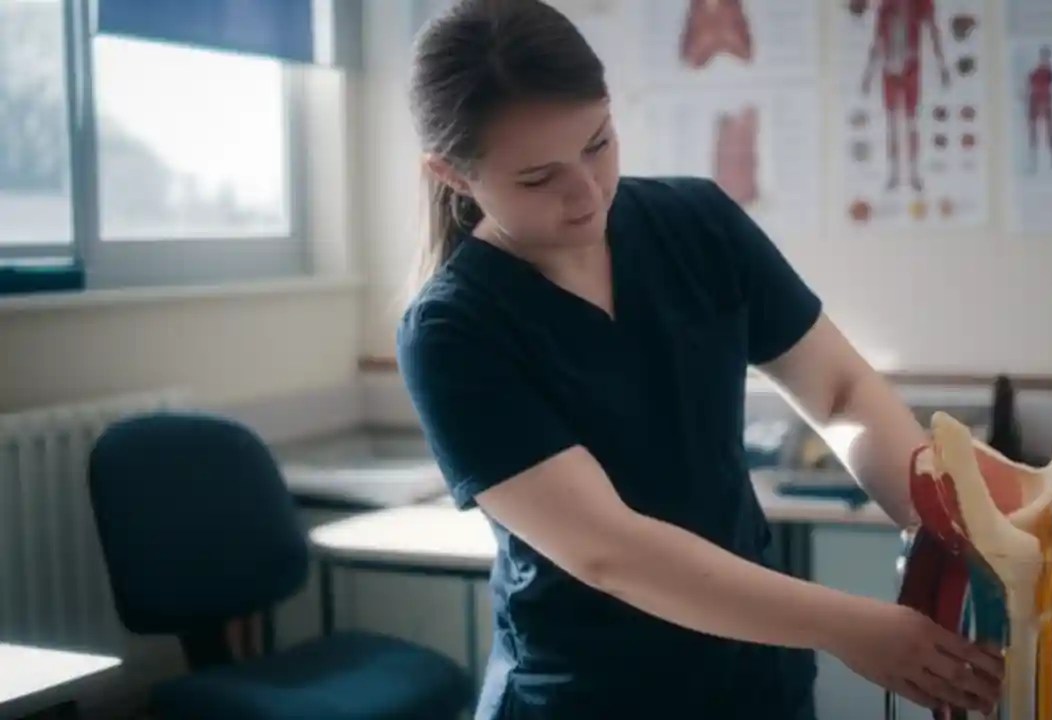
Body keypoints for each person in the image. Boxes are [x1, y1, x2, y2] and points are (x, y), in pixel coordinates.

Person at [398, 1, 1003, 718]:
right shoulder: (453, 330)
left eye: (599, 142)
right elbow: (610, 550)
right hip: (588, 695)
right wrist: (855, 628)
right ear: (454, 175)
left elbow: (838, 394)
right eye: (538, 178)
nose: (587, 192)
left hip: (756, 684)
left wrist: (950, 521)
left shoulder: (696, 225)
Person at [859, 0, 950, 193]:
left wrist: (942, 66)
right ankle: (893, 173)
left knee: (911, 123)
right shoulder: (886, 7)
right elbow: (877, 40)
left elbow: (934, 31)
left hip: (910, 68)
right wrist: (868, 74)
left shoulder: (920, 4)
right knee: (892, 124)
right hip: (889, 68)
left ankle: (914, 173)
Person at [1025, 46, 1052, 175]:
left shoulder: (1050, 72)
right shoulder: (1036, 72)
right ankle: (1033, 164)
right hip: (1036, 100)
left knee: (1051, 132)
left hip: (1046, 100)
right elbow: (1030, 84)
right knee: (1034, 133)